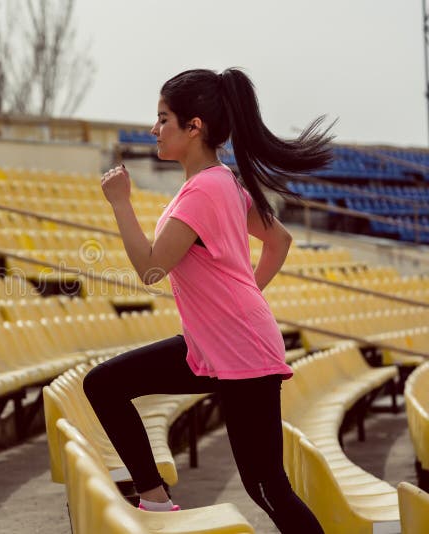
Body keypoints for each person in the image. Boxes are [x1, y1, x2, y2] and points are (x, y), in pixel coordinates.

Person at [83, 68, 332, 534]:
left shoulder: (204, 191)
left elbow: (152, 268)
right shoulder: (224, 182)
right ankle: (154, 500)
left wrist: (120, 203)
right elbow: (280, 241)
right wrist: (242, 303)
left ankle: (154, 498)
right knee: (105, 384)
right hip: (217, 345)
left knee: (266, 487)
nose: (153, 130)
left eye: (163, 119)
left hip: (241, 353)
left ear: (193, 127)